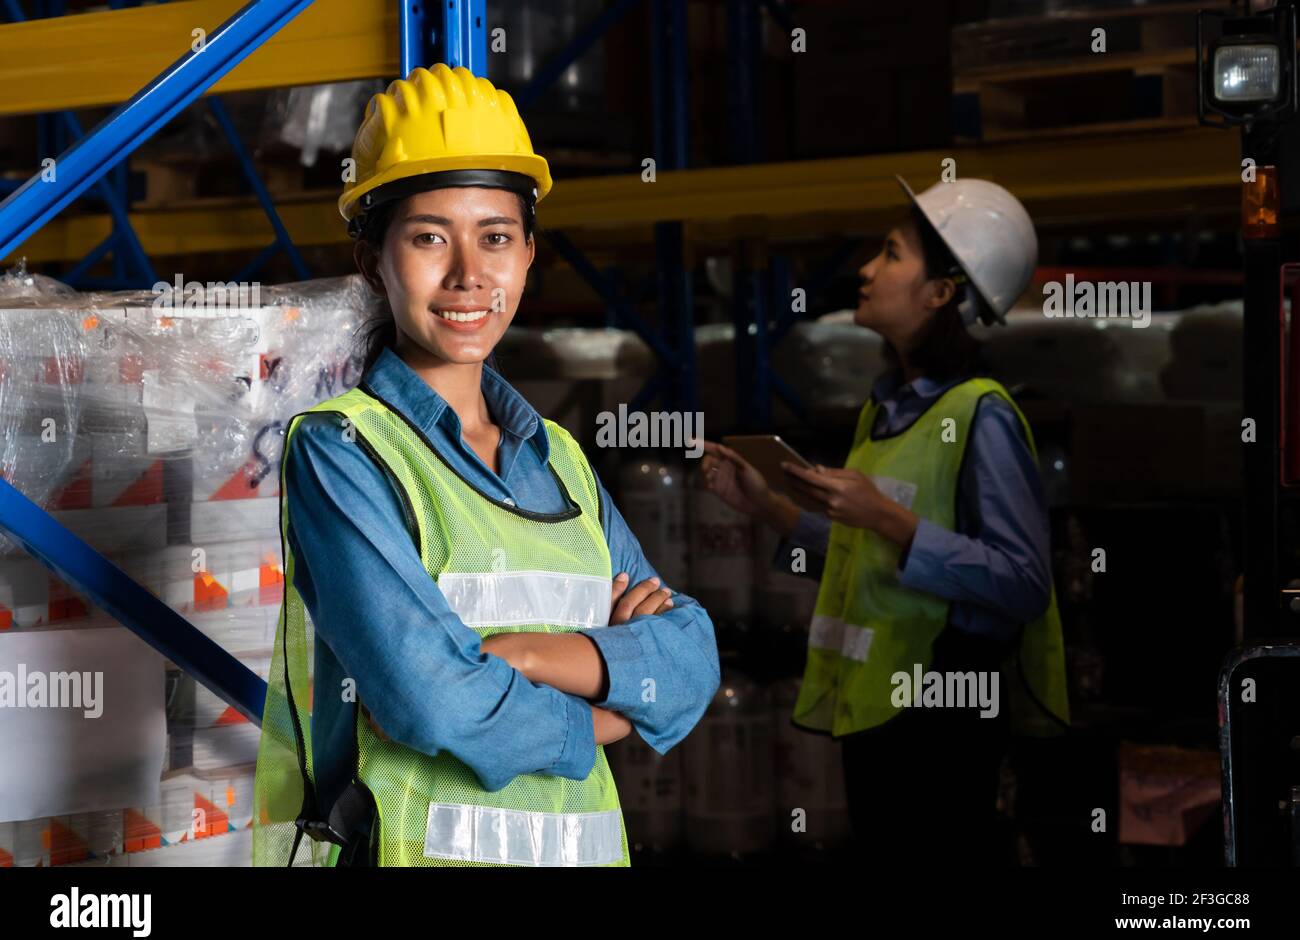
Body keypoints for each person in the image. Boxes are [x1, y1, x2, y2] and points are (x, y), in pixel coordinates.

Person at [252, 64, 719, 867]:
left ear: (530, 253)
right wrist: (608, 711)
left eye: (496, 236)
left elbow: (691, 656)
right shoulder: (344, 450)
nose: (470, 273)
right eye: (430, 236)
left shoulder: (559, 458)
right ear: (373, 259)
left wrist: (526, 654)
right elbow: (427, 698)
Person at [699, 176, 1070, 862]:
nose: (867, 270)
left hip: (947, 715)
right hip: (879, 713)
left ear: (941, 293)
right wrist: (769, 506)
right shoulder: (885, 411)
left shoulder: (980, 416)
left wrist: (892, 521)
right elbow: (857, 553)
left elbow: (1024, 582)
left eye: (892, 255)